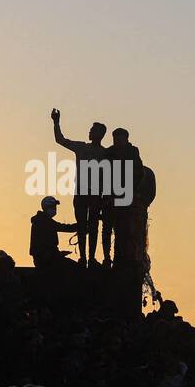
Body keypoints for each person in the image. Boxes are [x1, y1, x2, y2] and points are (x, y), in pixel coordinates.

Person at [51, 108, 106, 268]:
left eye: (92, 131)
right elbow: (60, 139)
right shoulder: (84, 148)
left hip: (94, 194)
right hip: (83, 193)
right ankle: (84, 257)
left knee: (91, 226)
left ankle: (90, 258)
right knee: (84, 225)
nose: (89, 132)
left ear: (98, 134)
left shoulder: (103, 153)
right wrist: (56, 122)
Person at [103, 127, 143, 267]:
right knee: (107, 228)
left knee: (124, 229)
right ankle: (107, 258)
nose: (117, 142)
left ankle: (123, 257)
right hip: (111, 196)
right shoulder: (109, 152)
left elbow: (139, 171)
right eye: (115, 139)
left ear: (126, 139)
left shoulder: (132, 151)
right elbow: (103, 174)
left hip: (126, 195)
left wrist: (132, 189)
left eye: (119, 139)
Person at [30, 196, 78, 270]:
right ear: (46, 207)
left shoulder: (41, 220)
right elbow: (64, 228)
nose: (55, 209)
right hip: (46, 260)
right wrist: (81, 225)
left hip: (44, 258)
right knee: (75, 268)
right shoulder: (44, 221)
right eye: (53, 207)